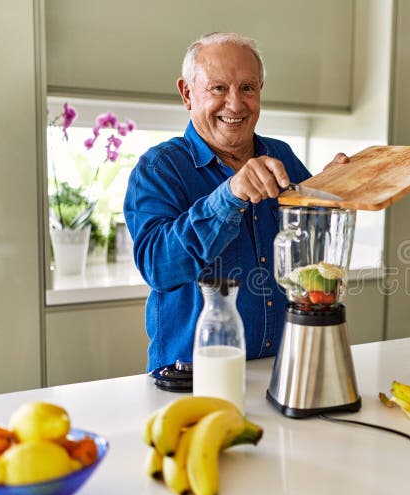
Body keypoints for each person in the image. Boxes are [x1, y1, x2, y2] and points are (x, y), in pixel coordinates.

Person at [124, 32, 348, 372]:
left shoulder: (280, 155)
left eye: (247, 88)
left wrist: (329, 191)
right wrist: (230, 196)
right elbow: (158, 266)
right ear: (187, 94)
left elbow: (312, 250)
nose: (235, 104)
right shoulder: (159, 168)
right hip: (192, 377)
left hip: (282, 369)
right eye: (218, 88)